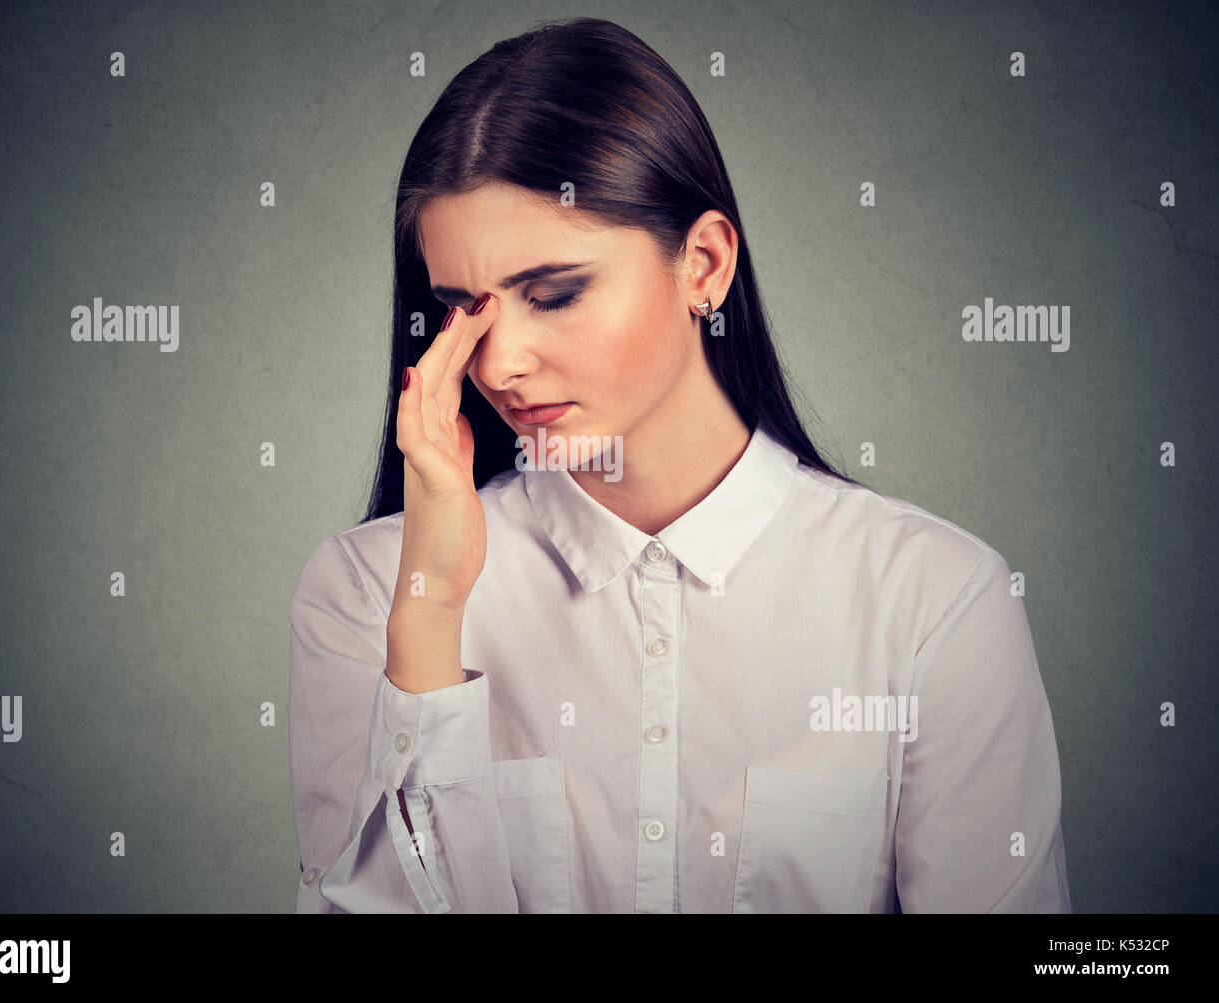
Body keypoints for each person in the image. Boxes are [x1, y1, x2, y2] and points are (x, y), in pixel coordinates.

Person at [288, 16, 1071, 913]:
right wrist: (429, 613)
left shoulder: (933, 602)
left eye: (554, 295)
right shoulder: (364, 591)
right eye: (465, 310)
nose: (498, 367)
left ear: (703, 263)